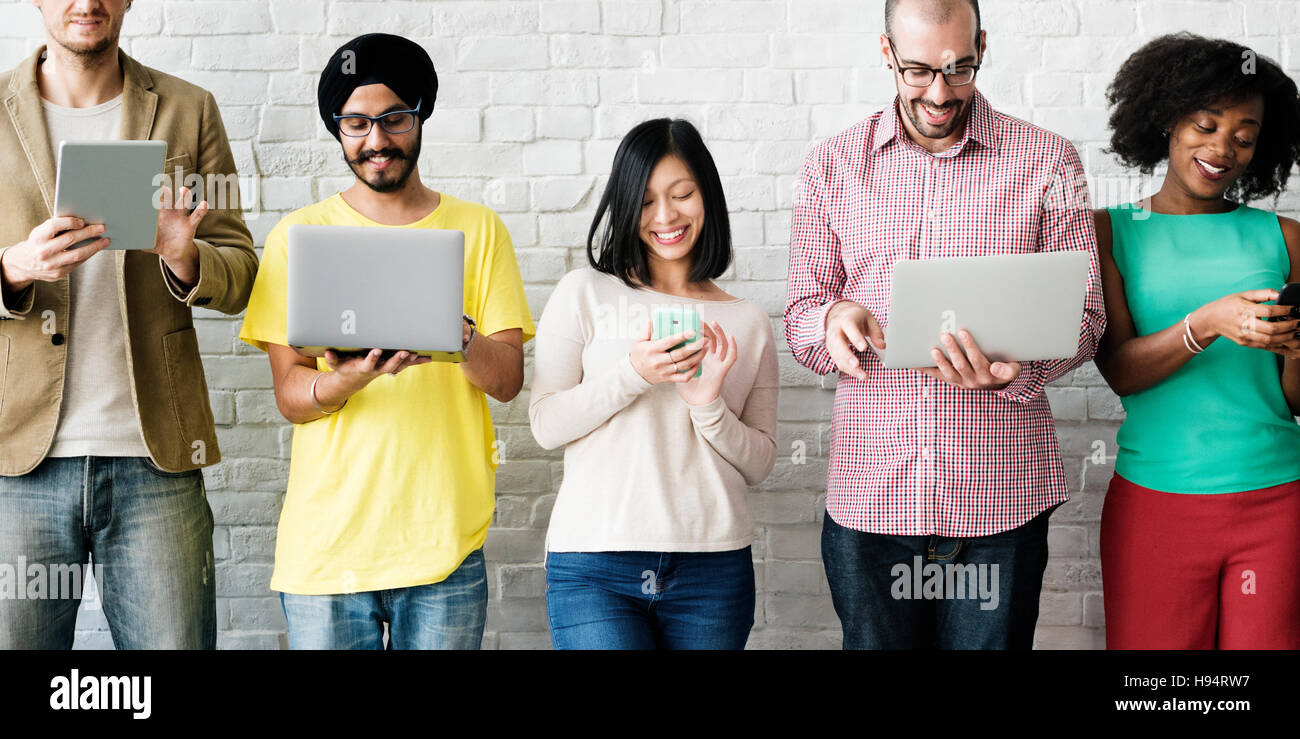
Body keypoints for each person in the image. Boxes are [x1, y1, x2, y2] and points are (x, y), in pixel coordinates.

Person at [784, 0, 1106, 649]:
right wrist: (833, 320)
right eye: (918, 70)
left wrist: (1022, 369)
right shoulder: (831, 165)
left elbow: (1088, 315)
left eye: (959, 69)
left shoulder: (1049, 161)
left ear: (983, 44)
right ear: (886, 53)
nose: (939, 92)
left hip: (1001, 505)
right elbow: (799, 317)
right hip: (871, 501)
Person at [238, 34, 534, 650]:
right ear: (338, 131)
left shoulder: (480, 230)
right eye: (356, 123)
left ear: (419, 115)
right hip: (327, 549)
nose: (376, 140)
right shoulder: (298, 236)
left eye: (393, 118)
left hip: (442, 546)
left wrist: (457, 335)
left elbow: (506, 382)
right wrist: (349, 378)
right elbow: (291, 397)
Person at [0, 0, 256, 649]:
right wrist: (15, 266)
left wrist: (182, 254)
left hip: (155, 462)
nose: (86, 2)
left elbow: (242, 271)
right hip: (17, 462)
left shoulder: (187, 108)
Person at [530, 118, 778, 650]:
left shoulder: (748, 321)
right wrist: (633, 375)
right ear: (623, 205)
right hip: (594, 563)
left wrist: (708, 405)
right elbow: (546, 425)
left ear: (706, 196)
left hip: (712, 569)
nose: (665, 216)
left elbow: (759, 464)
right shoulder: (584, 293)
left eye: (682, 194)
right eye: (644, 201)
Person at [1094, 34, 1300, 650]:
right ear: (1165, 123)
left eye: (1244, 135)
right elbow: (1120, 372)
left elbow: (1293, 401)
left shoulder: (1286, 237)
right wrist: (1206, 323)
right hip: (1156, 506)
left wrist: (1293, 349)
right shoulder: (1111, 230)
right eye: (1204, 126)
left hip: (1277, 502)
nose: (1222, 149)